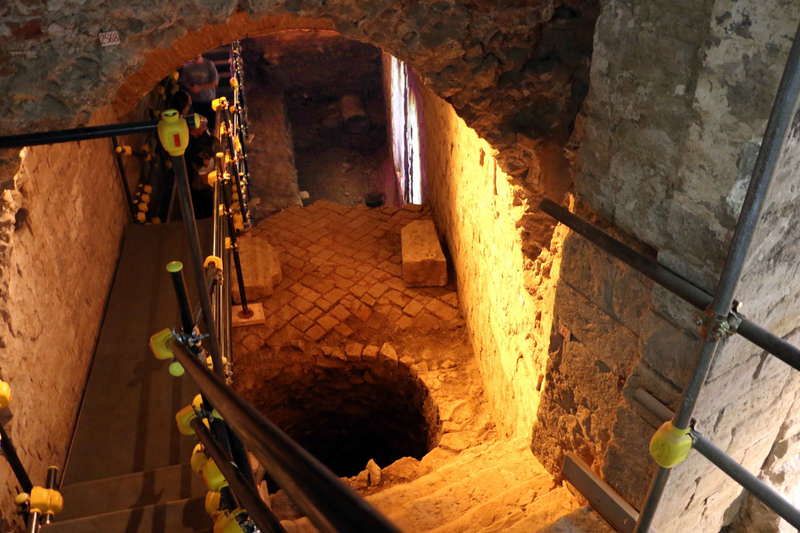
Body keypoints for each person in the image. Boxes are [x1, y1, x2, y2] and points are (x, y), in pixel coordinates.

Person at [179, 55, 219, 129]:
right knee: (198, 125)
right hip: (194, 101)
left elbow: (215, 82)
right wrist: (191, 88)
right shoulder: (187, 66)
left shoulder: (209, 64)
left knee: (211, 124)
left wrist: (200, 88)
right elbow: (183, 81)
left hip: (208, 100)